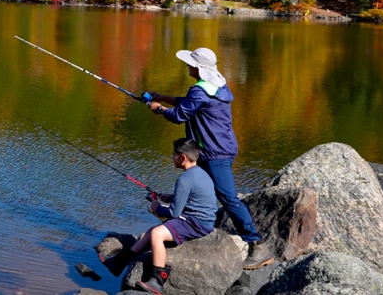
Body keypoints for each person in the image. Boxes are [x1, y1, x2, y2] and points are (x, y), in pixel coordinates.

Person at [146, 47, 275, 270]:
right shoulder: (215, 86)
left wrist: (159, 109)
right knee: (200, 187)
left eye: (190, 64)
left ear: (199, 68)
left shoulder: (200, 90)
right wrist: (163, 97)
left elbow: (180, 115)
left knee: (228, 198)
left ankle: (257, 244)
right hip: (215, 149)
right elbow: (189, 103)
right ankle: (184, 223)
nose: (188, 66)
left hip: (215, 152)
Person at [102, 138, 219, 294]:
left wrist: (157, 207)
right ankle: (118, 263)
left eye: (173, 154)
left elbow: (173, 213)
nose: (172, 157)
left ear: (182, 157)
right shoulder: (200, 173)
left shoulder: (184, 179)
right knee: (151, 232)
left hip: (196, 223)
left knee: (157, 234)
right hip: (202, 219)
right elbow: (191, 195)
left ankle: (157, 281)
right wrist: (168, 197)